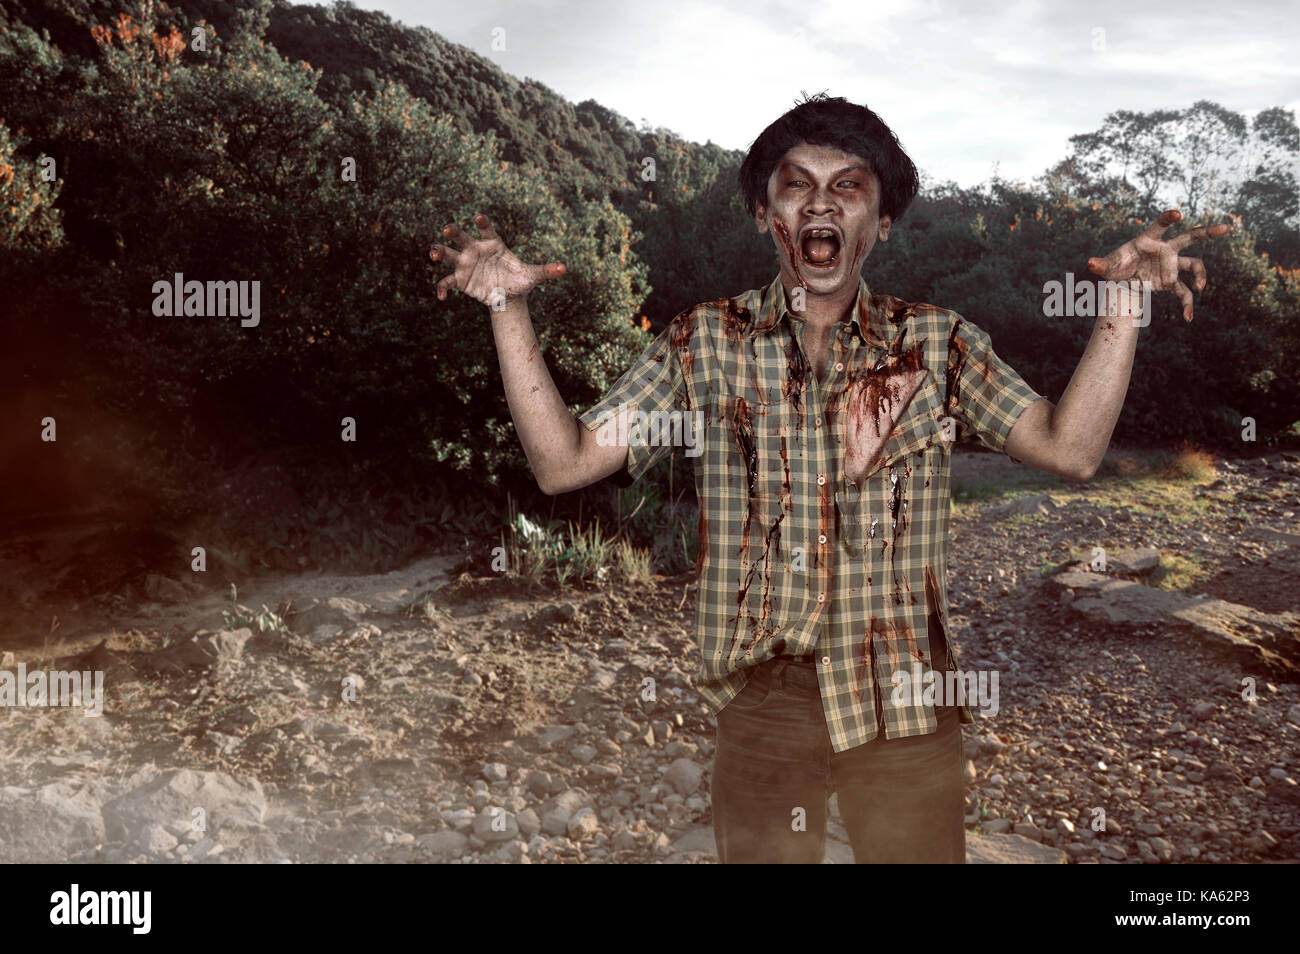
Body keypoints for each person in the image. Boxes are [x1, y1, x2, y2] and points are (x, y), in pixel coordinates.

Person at [429, 93, 1233, 863]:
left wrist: (1123, 301)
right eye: (797, 187)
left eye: (848, 189)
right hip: (763, 708)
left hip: (907, 707)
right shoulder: (699, 342)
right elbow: (563, 461)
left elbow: (1071, 449)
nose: (821, 205)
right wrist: (505, 306)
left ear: (878, 223)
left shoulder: (937, 343)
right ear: (766, 216)